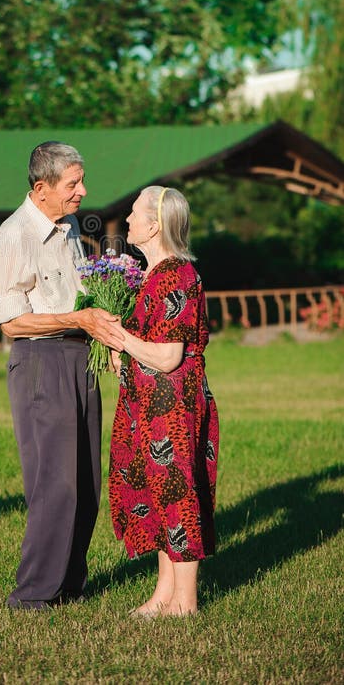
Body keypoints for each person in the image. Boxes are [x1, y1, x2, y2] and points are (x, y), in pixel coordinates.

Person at [0, 141, 124, 610]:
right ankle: (32, 595)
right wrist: (78, 320)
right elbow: (11, 322)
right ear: (41, 187)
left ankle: (68, 587)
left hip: (79, 357)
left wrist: (105, 333)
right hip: (40, 362)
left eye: (81, 180)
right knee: (55, 484)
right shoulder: (13, 236)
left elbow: (79, 294)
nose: (82, 191)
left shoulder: (68, 227)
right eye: (73, 183)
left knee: (86, 482)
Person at [108, 185, 219, 618]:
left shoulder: (176, 275)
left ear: (154, 226)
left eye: (134, 212)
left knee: (176, 494)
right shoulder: (152, 275)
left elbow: (169, 356)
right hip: (149, 402)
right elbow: (145, 346)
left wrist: (119, 337)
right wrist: (119, 350)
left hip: (170, 405)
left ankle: (185, 602)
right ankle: (163, 594)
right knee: (157, 495)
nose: (127, 219)